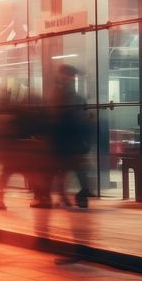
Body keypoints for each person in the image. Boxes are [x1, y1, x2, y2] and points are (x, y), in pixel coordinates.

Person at [51, 64, 93, 209]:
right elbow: (84, 119)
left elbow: (57, 119)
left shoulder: (59, 95)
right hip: (73, 140)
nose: (71, 79)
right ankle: (78, 197)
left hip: (65, 141)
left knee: (65, 170)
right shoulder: (74, 97)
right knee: (76, 169)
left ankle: (68, 197)